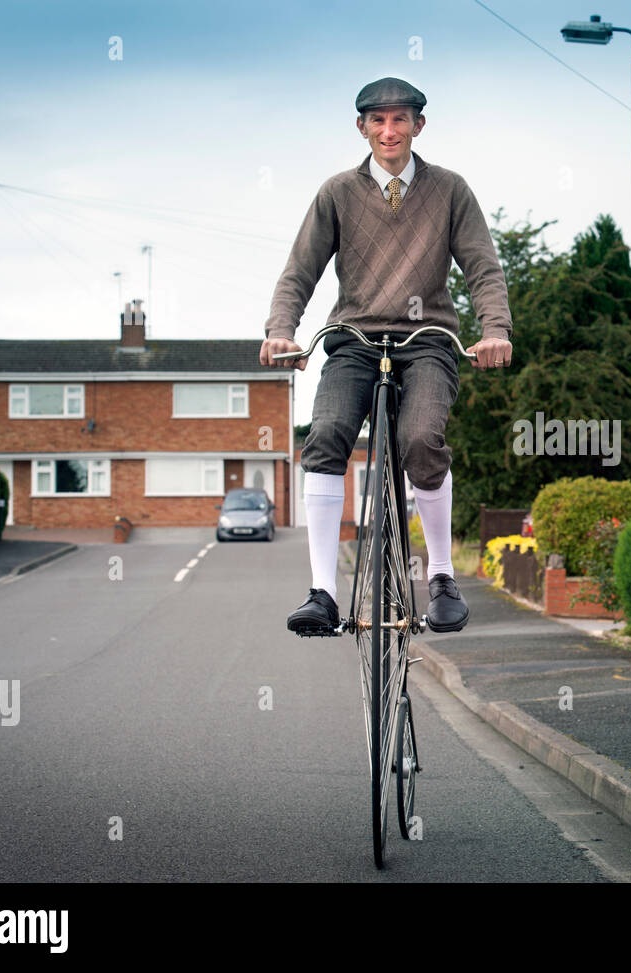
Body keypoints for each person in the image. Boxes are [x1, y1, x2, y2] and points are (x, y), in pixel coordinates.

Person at [260, 77, 512, 635]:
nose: (389, 130)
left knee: (420, 439)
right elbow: (299, 271)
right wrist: (282, 331)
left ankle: (441, 577)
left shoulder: (450, 190)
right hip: (354, 339)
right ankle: (323, 592)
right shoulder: (336, 193)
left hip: (428, 342)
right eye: (378, 120)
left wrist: (495, 329)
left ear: (419, 125)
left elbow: (483, 268)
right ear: (362, 127)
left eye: (401, 119)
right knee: (326, 435)